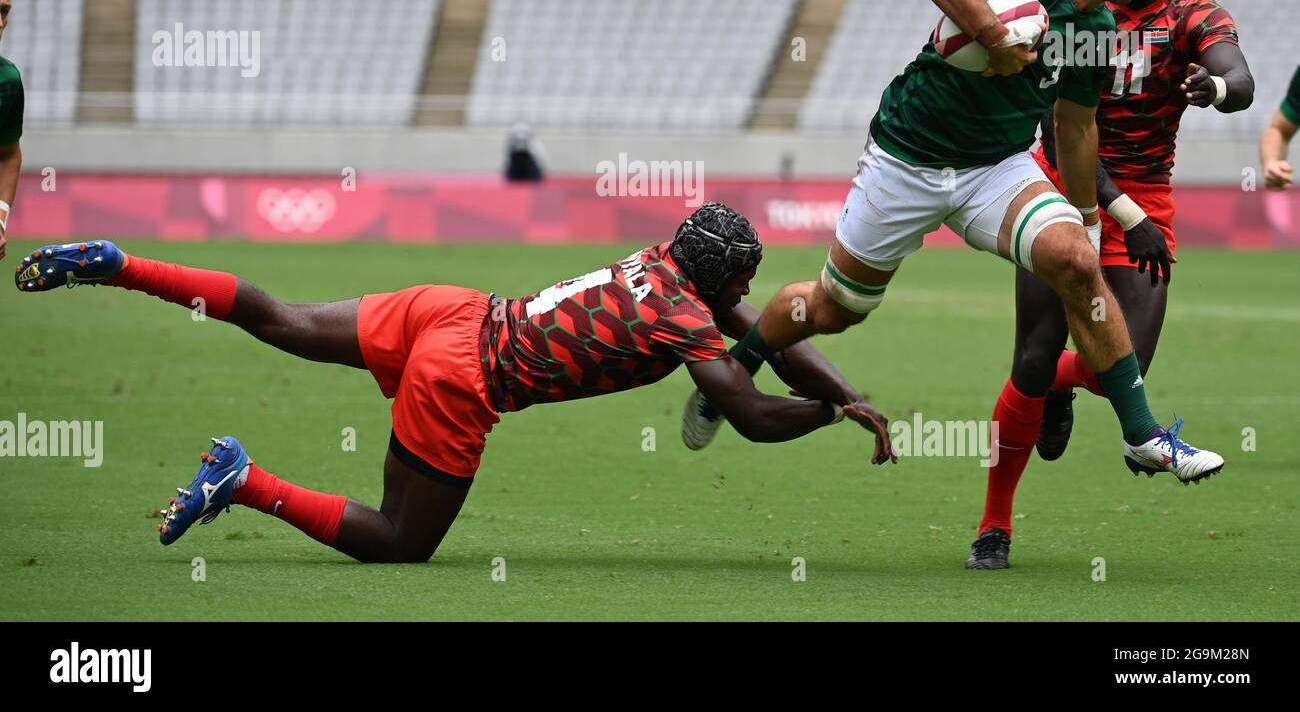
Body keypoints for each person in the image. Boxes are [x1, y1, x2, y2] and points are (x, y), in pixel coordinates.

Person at [683, 0, 1224, 501]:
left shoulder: (1098, 26)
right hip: (905, 160)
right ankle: (741, 362)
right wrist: (995, 38)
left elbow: (1076, 128)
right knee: (835, 309)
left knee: (1075, 260)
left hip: (997, 168)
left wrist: (1089, 221)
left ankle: (1141, 432)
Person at [15, 202, 893, 563]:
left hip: (451, 311)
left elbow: (775, 338)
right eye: (739, 283)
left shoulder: (665, 266)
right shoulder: (683, 313)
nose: (745, 296)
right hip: (465, 374)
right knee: (400, 542)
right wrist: (825, 415)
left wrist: (840, 389)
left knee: (278, 315)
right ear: (713, 280)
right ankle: (245, 479)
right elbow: (745, 414)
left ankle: (119, 264)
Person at [968, 0, 1254, 569]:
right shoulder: (1076, 4)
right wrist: (1123, 212)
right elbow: (1056, 131)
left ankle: (1066, 385)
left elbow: (1240, 79)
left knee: (1121, 370)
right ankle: (993, 525)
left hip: (1147, 188)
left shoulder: (1192, 12)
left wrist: (1214, 84)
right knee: (1033, 357)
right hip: (1062, 179)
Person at [0, 0, 23, 262]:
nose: (0, 21)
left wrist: (0, 218)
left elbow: (8, 154)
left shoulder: (8, 80)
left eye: (4, 11)